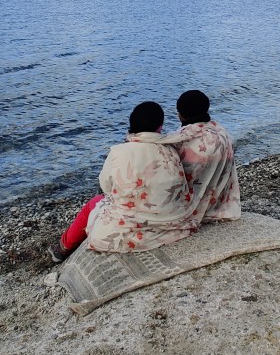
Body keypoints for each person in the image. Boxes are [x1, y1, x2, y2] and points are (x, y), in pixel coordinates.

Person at [48, 101, 196, 262]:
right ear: (160, 127)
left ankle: (62, 249)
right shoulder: (171, 150)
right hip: (172, 222)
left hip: (135, 229)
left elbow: (106, 186)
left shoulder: (119, 151)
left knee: (94, 203)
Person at [173, 90, 241, 224]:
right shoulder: (222, 132)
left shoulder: (181, 140)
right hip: (220, 202)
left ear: (181, 115)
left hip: (191, 205)